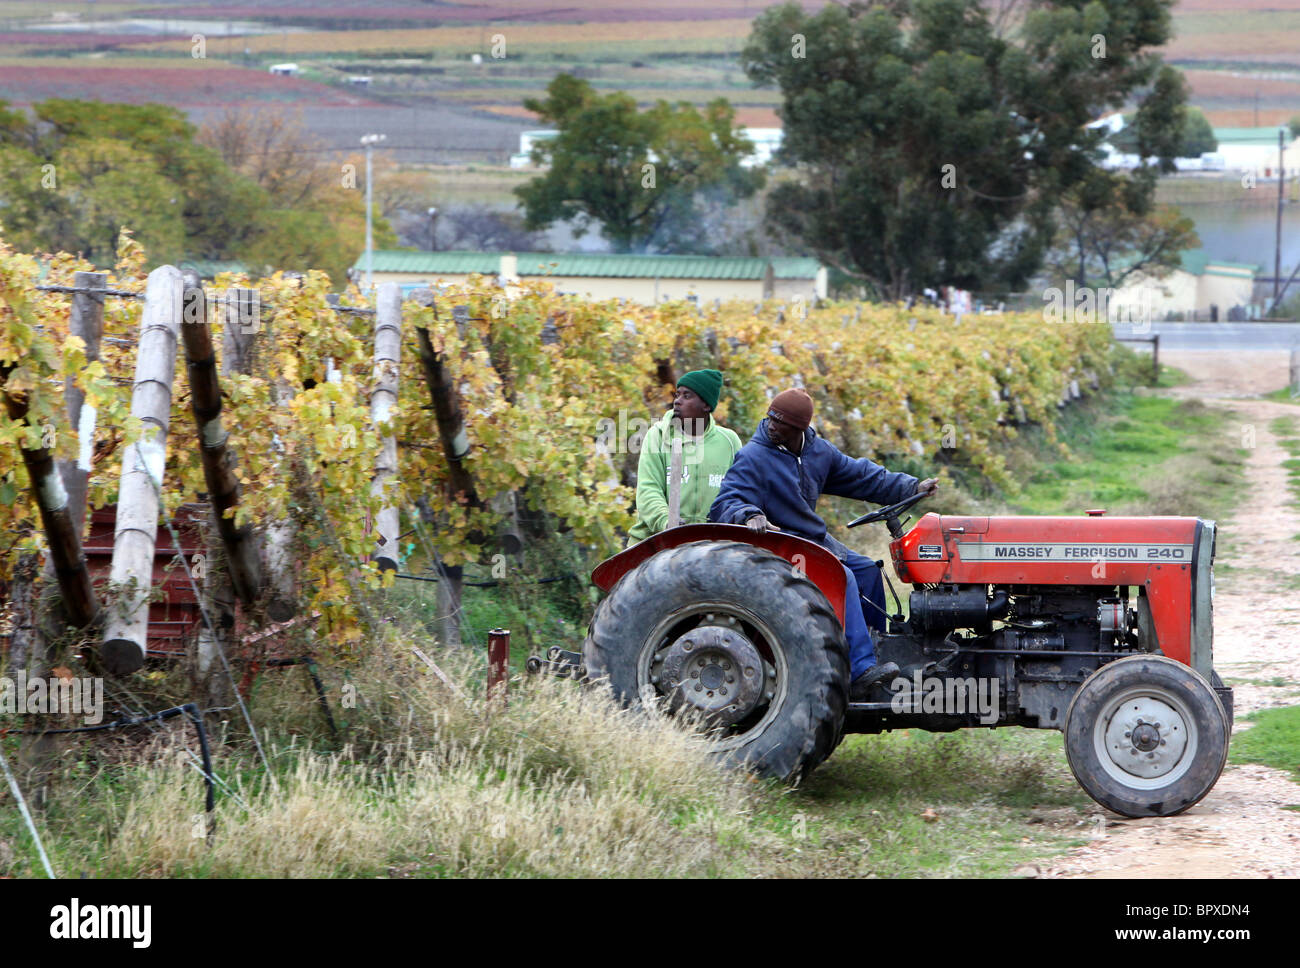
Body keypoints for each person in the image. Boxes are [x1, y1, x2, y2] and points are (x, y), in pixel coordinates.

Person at [708, 387, 938, 699]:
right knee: (842, 576)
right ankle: (859, 670)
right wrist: (748, 513)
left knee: (868, 571)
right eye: (770, 418)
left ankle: (880, 657)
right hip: (781, 542)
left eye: (780, 422)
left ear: (799, 428)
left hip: (813, 540)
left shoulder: (818, 452)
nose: (771, 425)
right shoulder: (754, 456)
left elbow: (863, 476)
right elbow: (728, 498)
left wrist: (911, 486)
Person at [627, 368, 742, 546]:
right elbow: (648, 490)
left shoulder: (729, 441)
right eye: (677, 395)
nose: (677, 401)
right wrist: (667, 521)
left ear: (706, 405)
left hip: (712, 545)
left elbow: (739, 492)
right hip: (655, 542)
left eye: (687, 396)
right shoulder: (658, 436)